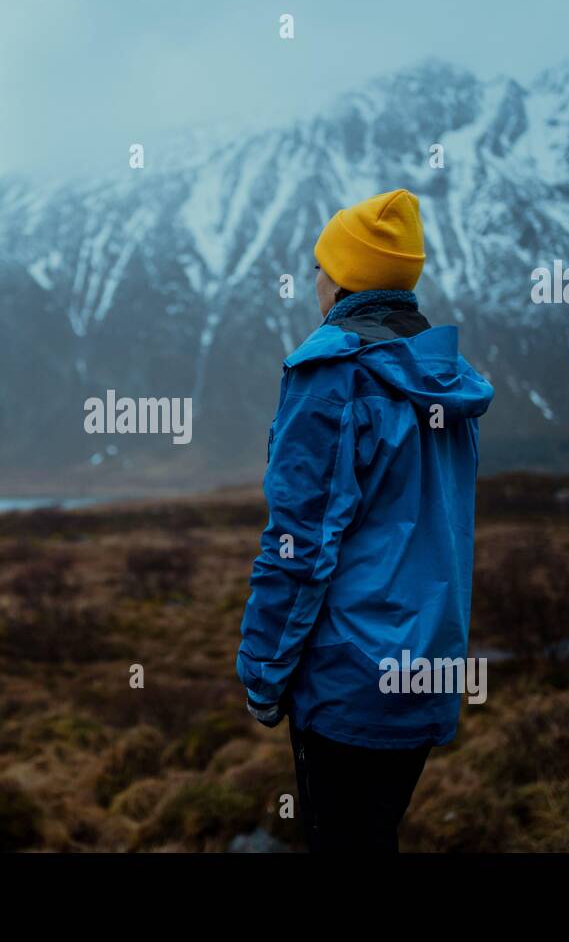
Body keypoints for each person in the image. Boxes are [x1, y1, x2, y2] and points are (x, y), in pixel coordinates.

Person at [235, 188, 494, 852]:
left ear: (345, 276)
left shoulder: (333, 377)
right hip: (429, 668)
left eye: (321, 266)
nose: (313, 281)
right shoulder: (445, 378)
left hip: (349, 675)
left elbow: (298, 543)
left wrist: (263, 671)